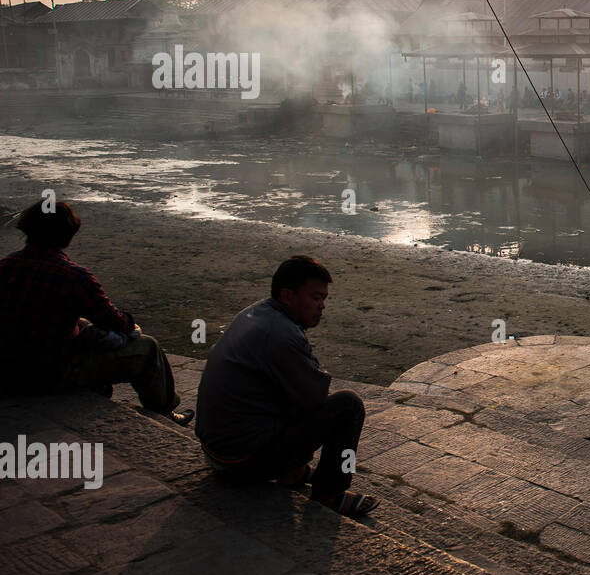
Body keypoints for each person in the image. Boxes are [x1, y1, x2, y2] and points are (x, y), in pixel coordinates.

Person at [195, 255, 378, 518]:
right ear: (288, 296)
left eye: (324, 299)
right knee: (347, 406)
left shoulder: (254, 312)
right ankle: (330, 493)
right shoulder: (281, 335)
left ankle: (292, 471)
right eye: (316, 298)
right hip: (238, 461)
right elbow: (314, 400)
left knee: (287, 394)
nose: (322, 306)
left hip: (217, 450)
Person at [0, 199, 183, 421]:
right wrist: (129, 324)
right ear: (67, 235)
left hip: (8, 371)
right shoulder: (72, 276)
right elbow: (114, 322)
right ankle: (165, 413)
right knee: (147, 349)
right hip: (50, 373)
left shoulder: (5, 266)